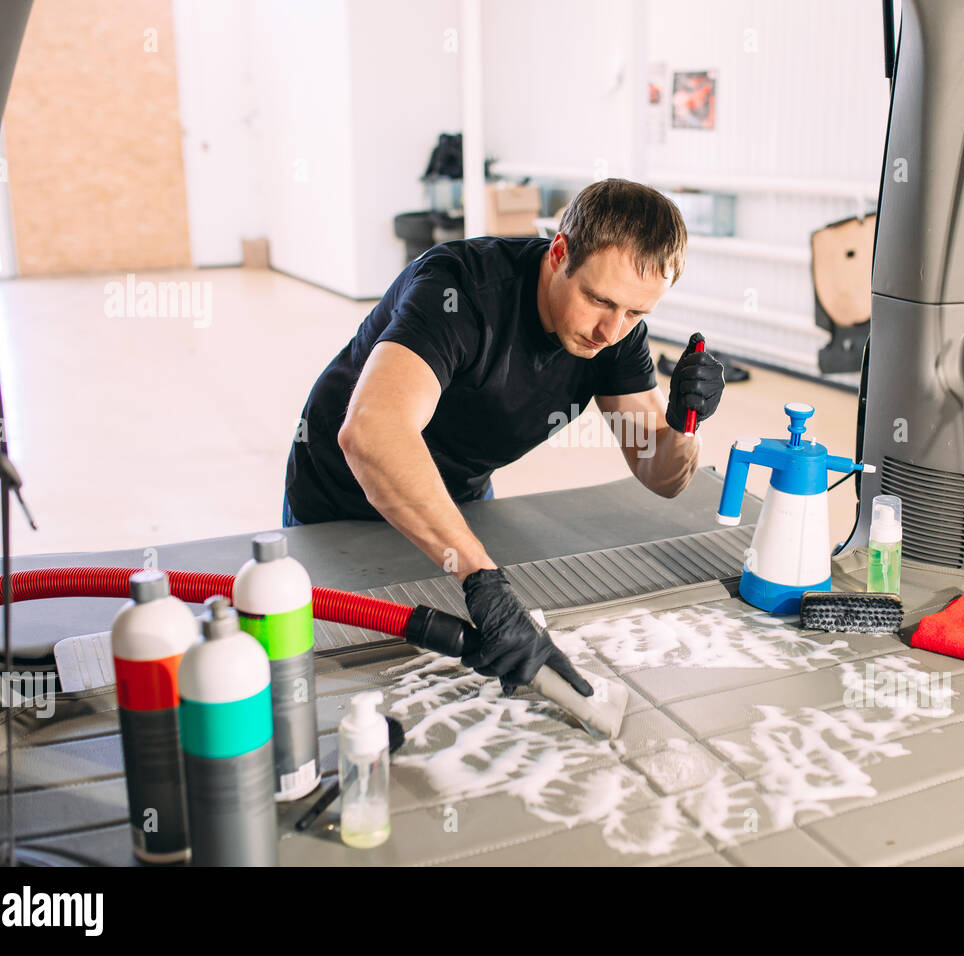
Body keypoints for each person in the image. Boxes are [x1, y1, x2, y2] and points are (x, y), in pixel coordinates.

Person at [283, 178, 725, 695]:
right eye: (597, 300)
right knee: (345, 677)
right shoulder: (458, 290)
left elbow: (662, 474)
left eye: (635, 313)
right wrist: (482, 580)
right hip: (340, 497)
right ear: (559, 251)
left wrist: (683, 424)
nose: (611, 331)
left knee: (443, 680)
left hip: (456, 499)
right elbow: (371, 434)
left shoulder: (618, 335)